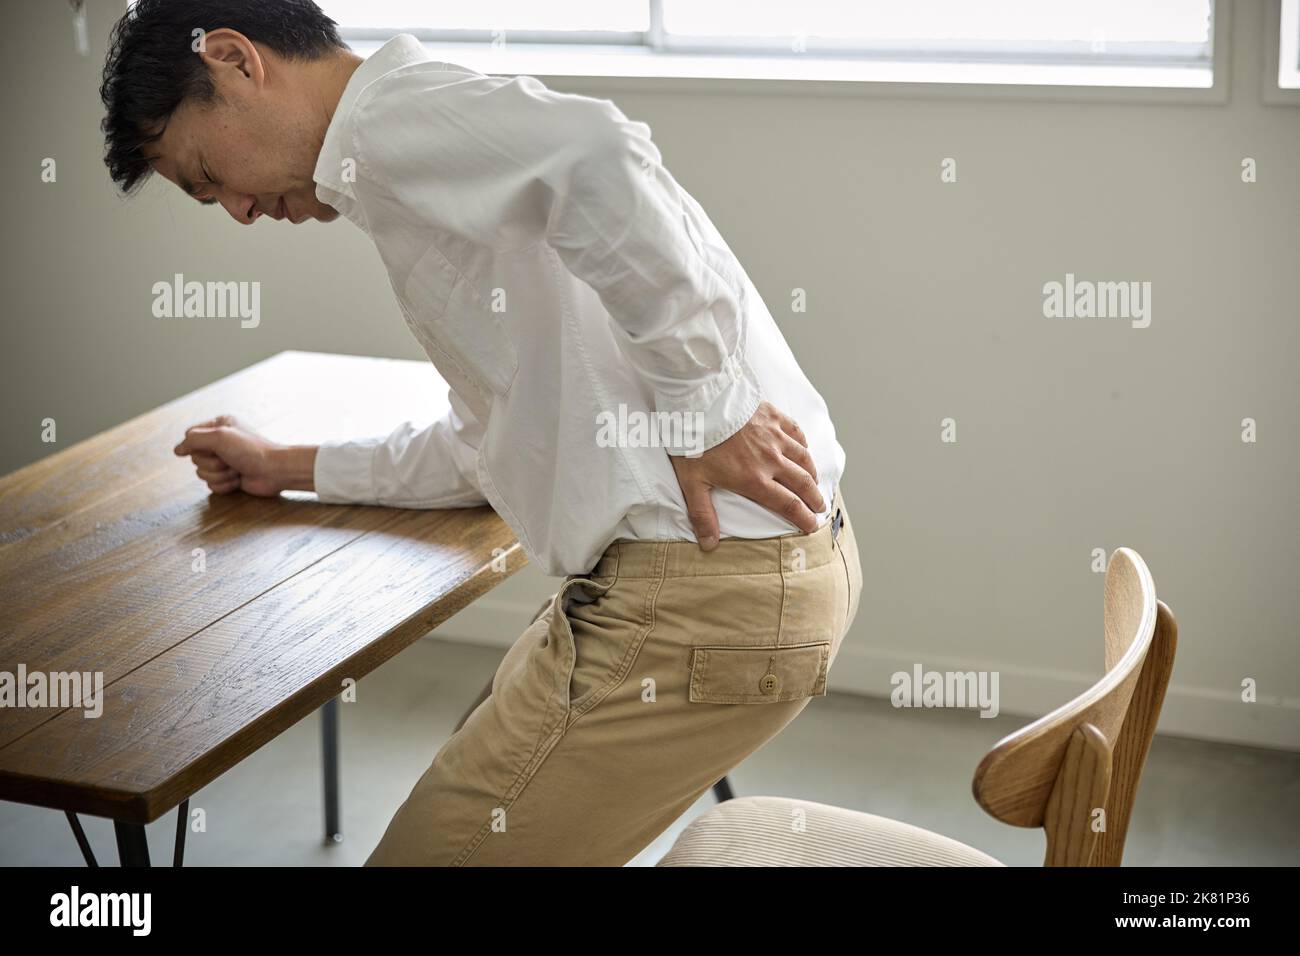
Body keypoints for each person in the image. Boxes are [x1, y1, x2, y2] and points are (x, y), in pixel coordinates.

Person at [101, 0, 862, 865]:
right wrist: (290, 466)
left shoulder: (386, 125)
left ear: (236, 60)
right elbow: (488, 446)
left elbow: (601, 152)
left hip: (705, 591)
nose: (238, 211)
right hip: (756, 576)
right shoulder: (410, 146)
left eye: (208, 174)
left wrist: (707, 407)